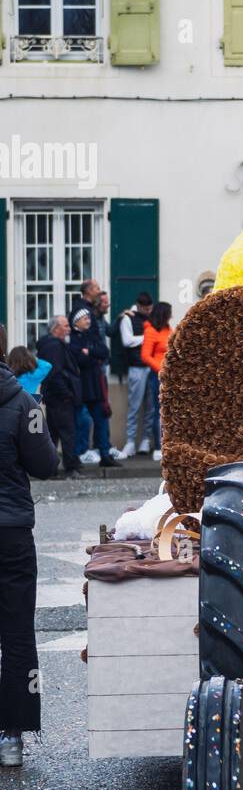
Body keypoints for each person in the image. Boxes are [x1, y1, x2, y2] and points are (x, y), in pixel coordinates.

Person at [0, 324, 60, 766]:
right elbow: (46, 465)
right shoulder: (23, 402)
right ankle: (11, 737)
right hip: (11, 530)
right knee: (18, 632)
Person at [69, 310, 119, 468]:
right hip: (81, 386)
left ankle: (104, 454)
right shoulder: (72, 338)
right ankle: (81, 453)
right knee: (83, 421)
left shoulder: (93, 336)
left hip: (96, 386)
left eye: (89, 318)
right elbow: (79, 359)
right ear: (76, 321)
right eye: (85, 318)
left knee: (102, 420)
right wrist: (93, 356)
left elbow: (105, 352)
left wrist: (89, 352)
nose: (88, 321)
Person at [37, 316, 82, 477]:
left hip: (55, 396)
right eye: (66, 326)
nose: (69, 329)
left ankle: (51, 468)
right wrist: (66, 393)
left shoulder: (52, 345)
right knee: (66, 433)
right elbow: (54, 373)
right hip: (59, 397)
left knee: (54, 433)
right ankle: (70, 468)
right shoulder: (54, 346)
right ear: (56, 328)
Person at [117, 292, 155, 459]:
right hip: (136, 367)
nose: (149, 312)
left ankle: (145, 440)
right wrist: (148, 338)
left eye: (150, 309)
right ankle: (130, 442)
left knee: (151, 406)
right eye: (146, 309)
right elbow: (127, 341)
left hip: (152, 367)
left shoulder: (153, 317)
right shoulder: (128, 318)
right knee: (134, 406)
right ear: (138, 306)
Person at [141, 302, 172, 461]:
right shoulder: (151, 330)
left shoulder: (168, 329)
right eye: (169, 313)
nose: (171, 316)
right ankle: (158, 447)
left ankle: (167, 445)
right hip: (157, 377)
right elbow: (145, 356)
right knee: (158, 412)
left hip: (170, 377)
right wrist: (161, 370)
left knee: (168, 413)